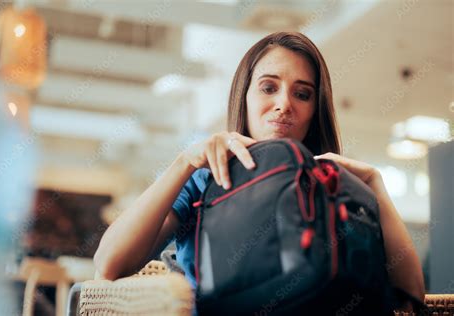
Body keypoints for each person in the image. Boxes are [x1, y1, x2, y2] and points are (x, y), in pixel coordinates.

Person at [93, 31, 425, 305]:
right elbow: (109, 265)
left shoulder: (334, 185)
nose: (284, 104)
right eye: (269, 87)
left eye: (303, 94)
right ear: (245, 96)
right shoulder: (208, 179)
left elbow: (412, 293)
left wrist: (375, 184)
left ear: (315, 110)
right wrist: (183, 163)